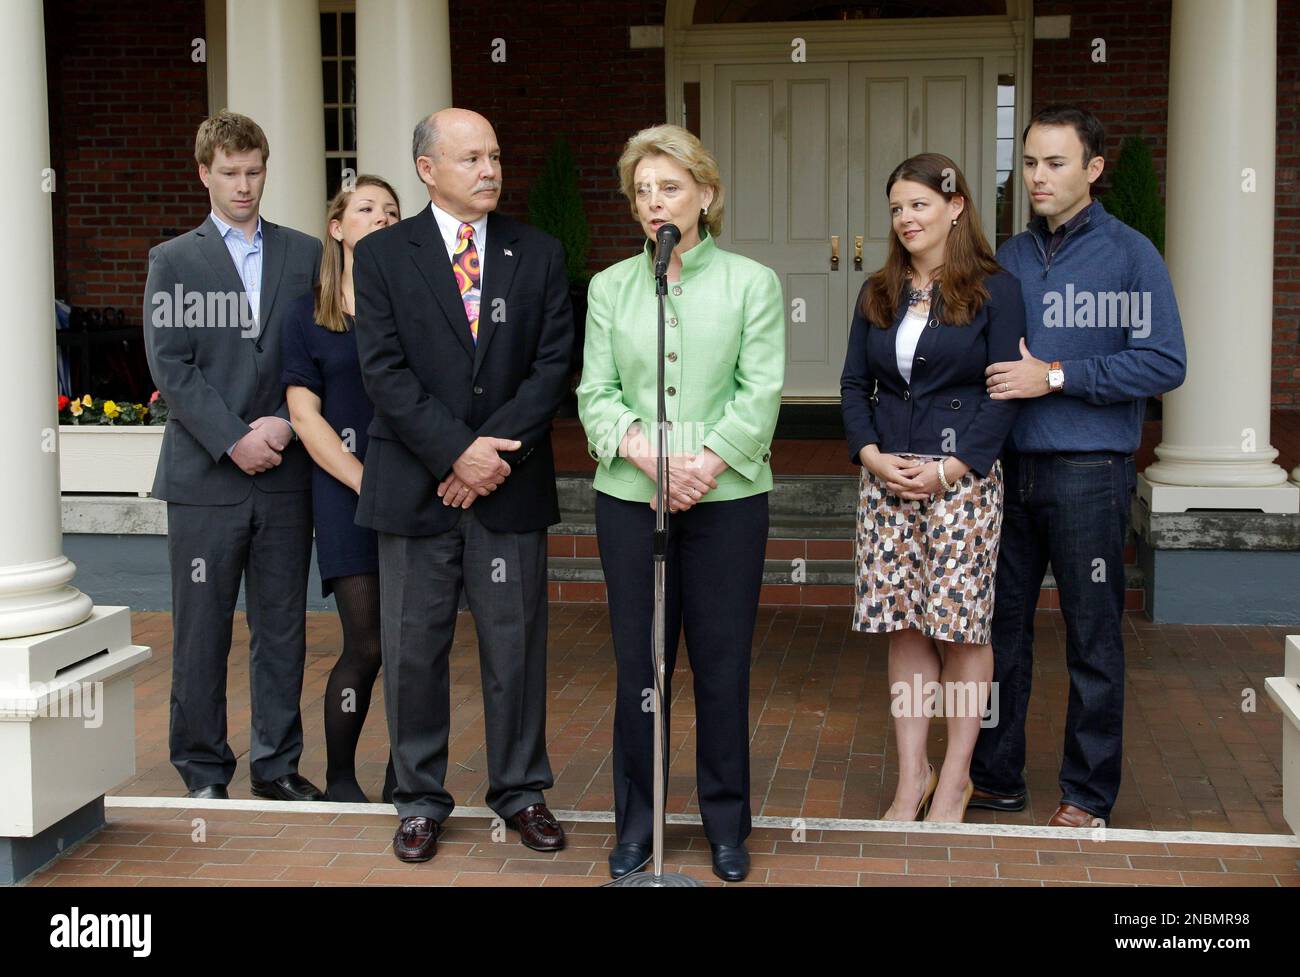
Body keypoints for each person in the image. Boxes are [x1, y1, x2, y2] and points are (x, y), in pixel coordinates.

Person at [352, 108, 574, 863]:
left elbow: (552, 367)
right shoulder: (381, 255)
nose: (490, 169)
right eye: (472, 157)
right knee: (414, 649)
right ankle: (418, 798)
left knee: (515, 646)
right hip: (416, 487)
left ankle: (521, 791)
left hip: (508, 484)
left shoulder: (537, 253)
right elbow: (383, 371)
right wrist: (455, 455)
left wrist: (488, 458)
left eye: (496, 154)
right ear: (427, 169)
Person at [577, 124, 785, 882]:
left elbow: (759, 390)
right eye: (643, 190)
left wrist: (702, 463)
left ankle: (726, 822)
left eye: (670, 186)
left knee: (722, 664)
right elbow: (594, 392)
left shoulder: (751, 282)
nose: (655, 201)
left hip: (727, 500)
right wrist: (646, 452)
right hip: (632, 499)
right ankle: (637, 822)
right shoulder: (610, 287)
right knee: (642, 666)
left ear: (706, 194)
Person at [970, 105, 1186, 828]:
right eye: (1030, 161)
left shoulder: (1132, 256)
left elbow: (1164, 361)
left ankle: (1086, 793)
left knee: (1092, 635)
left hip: (1090, 473)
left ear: (1093, 169)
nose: (1037, 176)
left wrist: (1055, 376)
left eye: (1055, 163)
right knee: (999, 632)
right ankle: (995, 777)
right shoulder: (1010, 255)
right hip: (1008, 474)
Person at [143, 110, 324, 801]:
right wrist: (234, 437)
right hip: (204, 477)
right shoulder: (175, 260)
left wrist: (281, 423)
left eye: (253, 172)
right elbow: (171, 366)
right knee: (200, 631)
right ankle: (203, 769)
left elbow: (320, 352)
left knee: (281, 628)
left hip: (285, 473)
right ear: (204, 174)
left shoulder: (305, 254)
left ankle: (277, 767)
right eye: (230, 174)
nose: (244, 186)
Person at [840, 153, 1025, 825]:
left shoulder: (996, 290)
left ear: (956, 207)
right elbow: (853, 386)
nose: (906, 218)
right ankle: (910, 774)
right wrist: (870, 457)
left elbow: (1002, 392)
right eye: (896, 207)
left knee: (962, 628)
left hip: (963, 484)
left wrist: (953, 467)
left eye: (919, 203)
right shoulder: (877, 291)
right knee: (906, 626)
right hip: (887, 483)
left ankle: (954, 780)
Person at [281, 176, 402, 803]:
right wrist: (363, 482)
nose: (380, 218)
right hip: (345, 490)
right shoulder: (309, 315)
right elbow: (305, 417)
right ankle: (341, 779)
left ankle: (403, 778)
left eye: (391, 211)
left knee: (412, 645)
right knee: (368, 642)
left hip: (414, 492)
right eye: (365, 209)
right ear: (337, 227)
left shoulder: (417, 308)